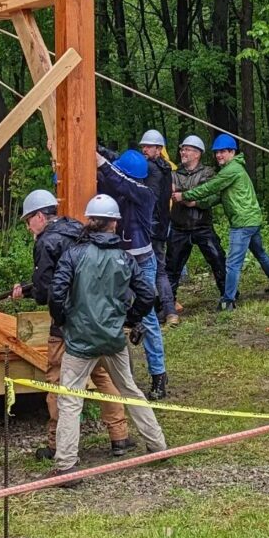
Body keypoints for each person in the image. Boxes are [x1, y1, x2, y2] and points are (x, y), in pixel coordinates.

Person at [48, 194, 168, 484]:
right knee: (130, 391)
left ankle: (65, 465)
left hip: (79, 340)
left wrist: (64, 321)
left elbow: (56, 293)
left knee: (70, 400)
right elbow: (149, 294)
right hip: (113, 339)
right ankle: (158, 446)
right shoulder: (125, 258)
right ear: (115, 223)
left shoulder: (74, 255)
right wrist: (129, 319)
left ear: (90, 221)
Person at [11, 189, 134, 460]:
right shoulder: (79, 229)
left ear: (40, 216)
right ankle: (120, 436)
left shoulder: (46, 242)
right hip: (94, 318)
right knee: (102, 374)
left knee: (57, 380)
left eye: (28, 220)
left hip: (65, 322)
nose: (28, 226)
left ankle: (58, 445)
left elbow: (48, 290)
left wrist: (33, 292)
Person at [174, 134, 269, 311]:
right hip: (252, 220)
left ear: (232, 152)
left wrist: (185, 195)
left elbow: (211, 187)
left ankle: (228, 300)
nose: (219, 156)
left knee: (233, 263)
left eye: (223, 152)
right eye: (217, 153)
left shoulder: (231, 170)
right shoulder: (234, 170)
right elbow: (217, 196)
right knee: (259, 252)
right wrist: (197, 203)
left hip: (242, 222)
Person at [96, 149, 170, 399]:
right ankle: (121, 376)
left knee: (149, 319)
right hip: (119, 261)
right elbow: (113, 179)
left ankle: (159, 375)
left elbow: (117, 179)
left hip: (140, 262)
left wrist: (104, 164)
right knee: (116, 313)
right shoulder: (120, 190)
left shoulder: (144, 194)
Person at [166, 134, 227, 301]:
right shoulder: (173, 174)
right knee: (171, 267)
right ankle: (168, 304)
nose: (183, 152)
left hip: (202, 227)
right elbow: (171, 192)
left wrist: (194, 202)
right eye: (182, 149)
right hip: (179, 228)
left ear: (197, 153)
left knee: (218, 260)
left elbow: (214, 195)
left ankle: (228, 297)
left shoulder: (208, 173)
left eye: (187, 149)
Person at [138, 129, 177, 321]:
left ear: (159, 149)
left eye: (148, 146)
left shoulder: (150, 169)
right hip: (161, 226)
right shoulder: (166, 168)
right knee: (159, 270)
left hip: (150, 227)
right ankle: (170, 311)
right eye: (143, 146)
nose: (144, 149)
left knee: (145, 269)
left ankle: (149, 312)